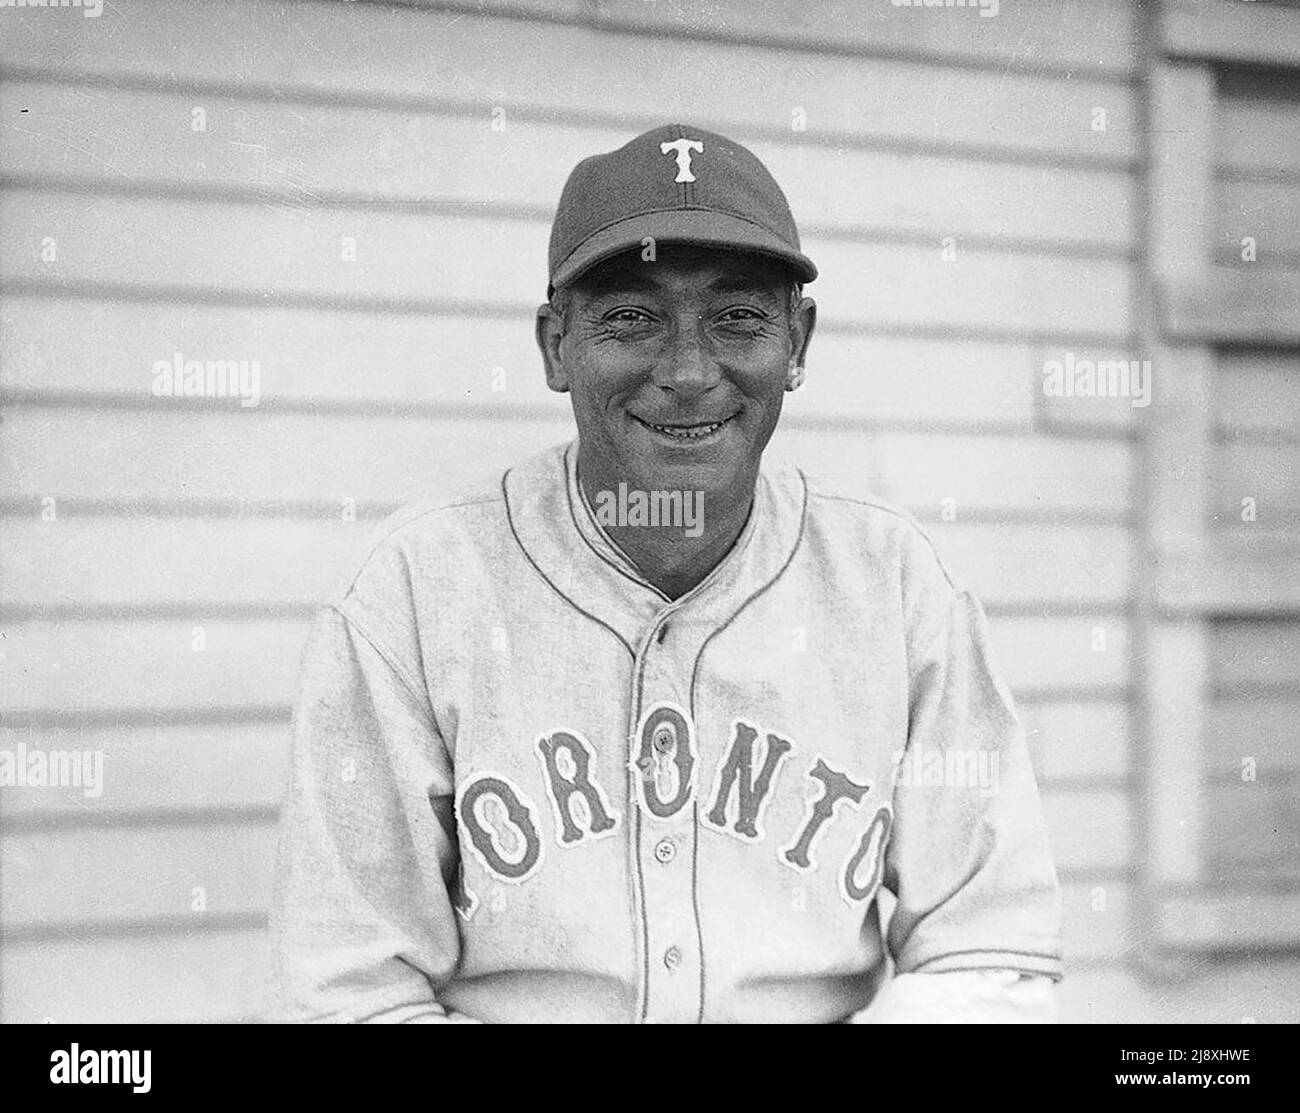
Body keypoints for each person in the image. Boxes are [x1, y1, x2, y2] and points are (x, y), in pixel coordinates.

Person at [269, 124, 1062, 1023]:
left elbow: (990, 955)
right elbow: (349, 991)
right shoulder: (414, 591)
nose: (688, 372)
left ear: (797, 342)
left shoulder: (897, 586)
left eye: (738, 317)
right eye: (632, 317)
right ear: (555, 344)